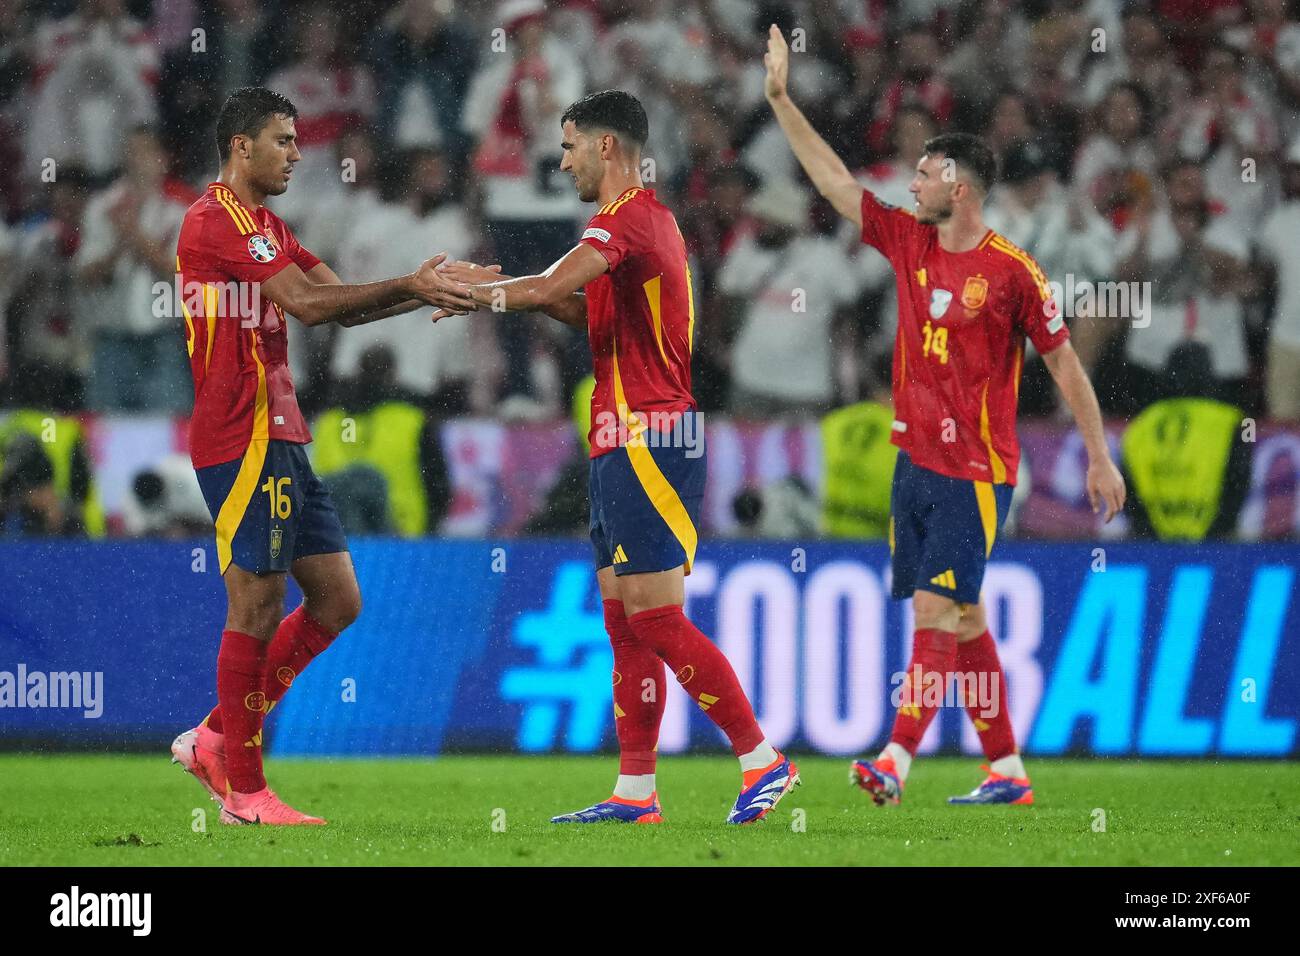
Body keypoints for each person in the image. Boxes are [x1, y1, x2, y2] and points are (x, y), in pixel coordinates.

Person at [762, 26, 1126, 807]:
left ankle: (896, 757)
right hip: (915, 462)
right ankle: (1006, 771)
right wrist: (782, 101)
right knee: (962, 620)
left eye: (925, 173)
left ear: (960, 186)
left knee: (936, 608)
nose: (912, 183)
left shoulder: (1011, 272)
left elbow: (1064, 364)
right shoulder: (907, 239)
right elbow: (832, 182)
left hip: (976, 471)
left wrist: (1098, 456)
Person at [436, 89, 798, 825]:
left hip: (652, 437)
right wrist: (495, 285)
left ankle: (763, 758)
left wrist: (480, 294)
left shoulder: (628, 218)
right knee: (623, 622)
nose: (561, 159)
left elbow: (543, 287)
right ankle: (636, 791)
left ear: (606, 147)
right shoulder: (629, 227)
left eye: (569, 146)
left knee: (657, 619)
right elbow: (572, 306)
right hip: (618, 436)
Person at [168, 87, 478, 827]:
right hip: (240, 436)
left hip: (284, 431)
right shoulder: (215, 220)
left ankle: (215, 735)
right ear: (241, 146)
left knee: (338, 600)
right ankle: (244, 789)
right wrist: (407, 281)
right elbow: (307, 307)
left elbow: (338, 297)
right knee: (256, 602)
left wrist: (426, 289)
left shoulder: (267, 225)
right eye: (282, 140)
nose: (297, 153)